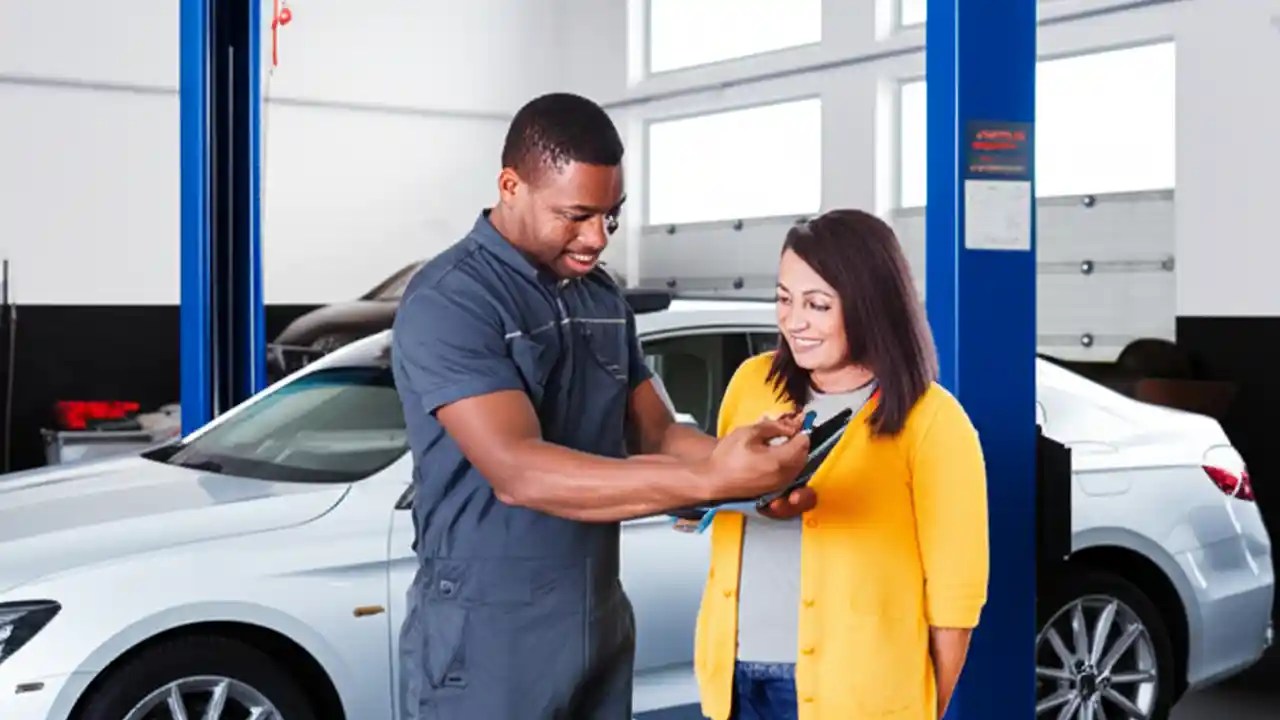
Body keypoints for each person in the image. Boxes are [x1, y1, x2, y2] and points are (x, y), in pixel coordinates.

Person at [389, 92, 812, 720]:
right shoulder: (453, 301)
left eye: (611, 215)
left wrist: (756, 470)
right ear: (511, 185)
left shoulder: (598, 295)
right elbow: (518, 470)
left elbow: (659, 433)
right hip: (487, 624)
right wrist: (711, 477)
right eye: (576, 215)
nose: (597, 238)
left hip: (597, 607)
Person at [692, 209, 990, 720]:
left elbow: (954, 602)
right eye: (784, 299)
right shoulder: (751, 383)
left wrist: (921, 706)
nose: (793, 321)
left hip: (858, 698)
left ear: (871, 306)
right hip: (735, 679)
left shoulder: (933, 421)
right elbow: (724, 490)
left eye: (817, 304)